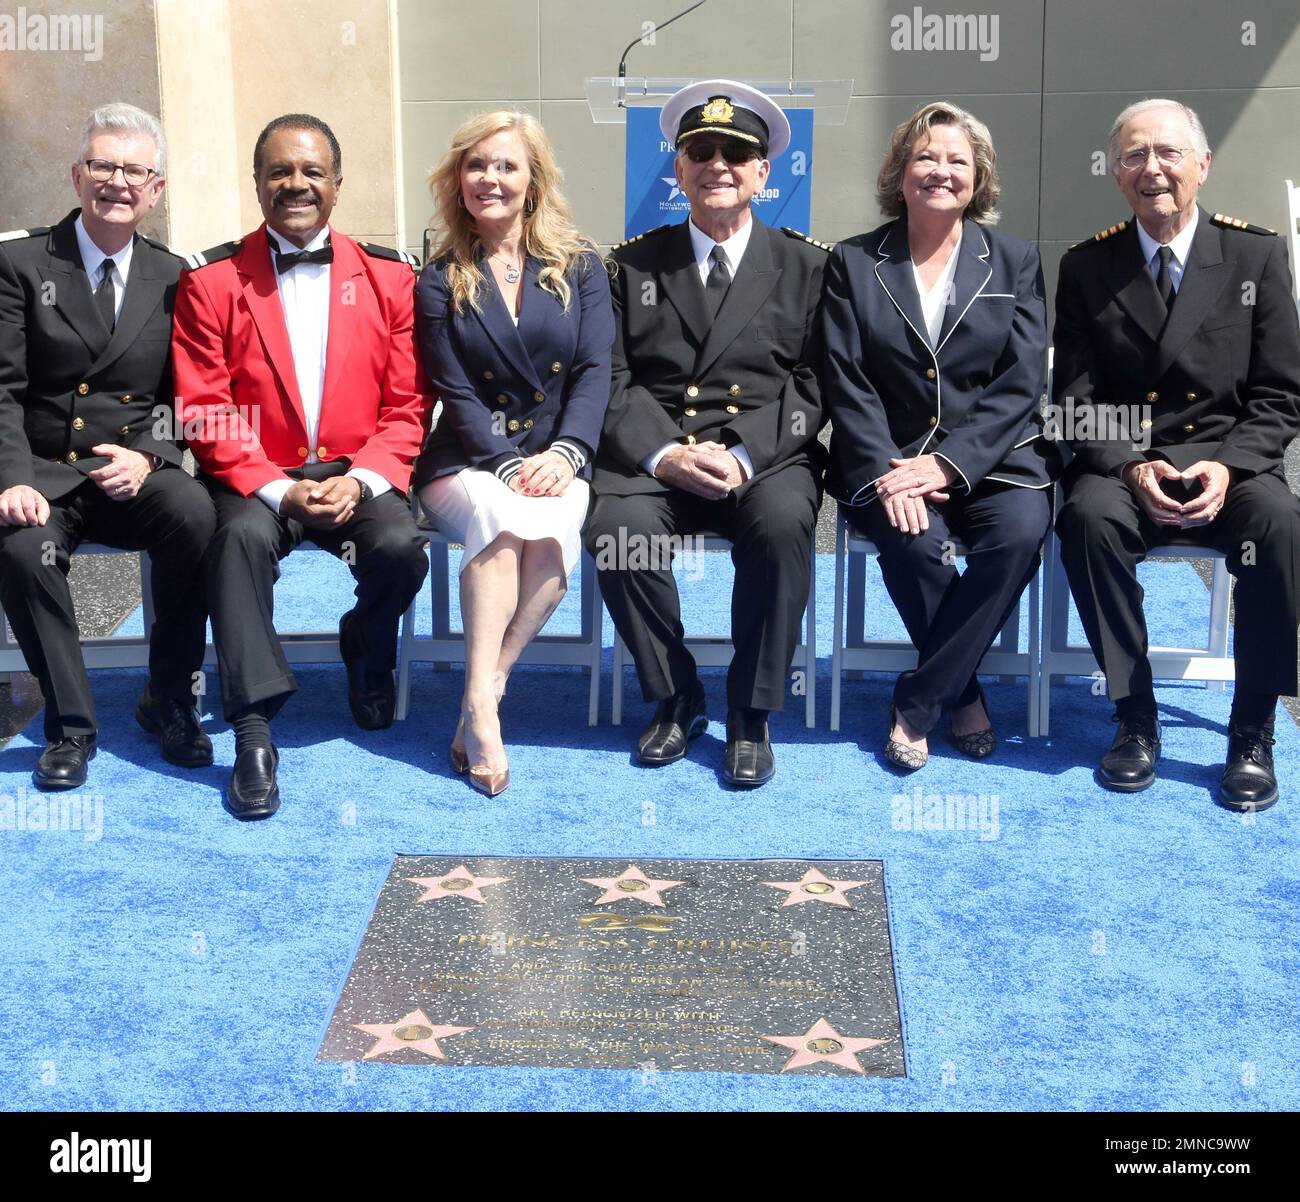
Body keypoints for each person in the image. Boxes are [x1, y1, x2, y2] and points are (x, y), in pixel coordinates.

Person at [172, 113, 433, 820]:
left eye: (312, 172)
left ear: (338, 186)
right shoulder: (212, 280)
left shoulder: (389, 277)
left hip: (358, 472)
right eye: (280, 171)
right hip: (260, 476)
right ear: (257, 183)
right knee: (237, 545)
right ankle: (254, 734)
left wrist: (366, 479)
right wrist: (281, 490)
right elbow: (203, 408)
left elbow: (409, 404)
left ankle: (367, 646)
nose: (296, 185)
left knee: (402, 550)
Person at [1054, 98, 1300, 811]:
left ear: (1203, 165)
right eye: (1134, 156)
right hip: (1130, 467)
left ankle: (1252, 730)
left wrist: (1230, 463)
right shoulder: (1088, 267)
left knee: (1282, 526)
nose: (1152, 169)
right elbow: (1072, 398)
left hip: (1232, 464)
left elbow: (1282, 390)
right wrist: (1133, 463)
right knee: (1085, 522)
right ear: (1115, 173)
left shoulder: (1255, 254)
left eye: (1167, 153)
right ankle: (1135, 719)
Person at [584, 80, 828, 788]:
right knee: (616, 527)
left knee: (785, 525)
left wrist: (745, 452)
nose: (717, 163)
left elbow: (815, 382)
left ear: (763, 173)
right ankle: (675, 693)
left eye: (736, 153)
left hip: (763, 456)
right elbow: (613, 377)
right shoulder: (631, 266)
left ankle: (750, 712)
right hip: (659, 452)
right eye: (700, 151)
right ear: (680, 168)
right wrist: (666, 452)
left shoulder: (809, 266)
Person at [821, 102, 1058, 770]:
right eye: (926, 157)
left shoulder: (1013, 261)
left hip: (994, 457)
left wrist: (951, 464)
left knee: (1017, 536)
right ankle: (965, 696)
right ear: (900, 173)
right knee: (915, 542)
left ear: (978, 178)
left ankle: (920, 699)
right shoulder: (853, 261)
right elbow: (846, 378)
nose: (941, 171)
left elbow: (1020, 380)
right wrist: (883, 471)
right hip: (889, 459)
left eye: (958, 160)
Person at [0, 102, 216, 792]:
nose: (117, 181)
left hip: (129, 472)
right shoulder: (20, 264)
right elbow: (1, 388)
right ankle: (69, 728)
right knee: (22, 550)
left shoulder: (177, 275)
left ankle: (171, 700)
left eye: (135, 171)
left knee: (198, 516)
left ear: (155, 189)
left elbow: (197, 393)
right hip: (43, 472)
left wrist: (152, 454)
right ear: (77, 175)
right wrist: (10, 476)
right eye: (104, 165)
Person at [412, 111, 613, 797]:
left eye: (506, 166)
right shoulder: (439, 277)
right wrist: (502, 460)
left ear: (533, 181)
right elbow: (454, 388)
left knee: (555, 527)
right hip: (466, 461)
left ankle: (482, 696)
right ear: (457, 180)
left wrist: (567, 451)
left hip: (560, 453)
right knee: (499, 521)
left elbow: (595, 370)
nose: (490, 179)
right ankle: (486, 715)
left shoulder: (582, 264)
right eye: (476, 165)